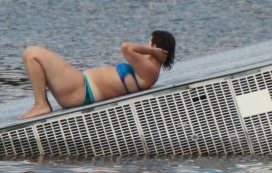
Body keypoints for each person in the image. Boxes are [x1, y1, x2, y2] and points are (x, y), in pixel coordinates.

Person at [18, 31, 175, 120]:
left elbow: (126, 47)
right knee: (31, 56)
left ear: (156, 46)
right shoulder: (148, 69)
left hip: (81, 90)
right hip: (79, 88)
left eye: (148, 44)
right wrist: (151, 51)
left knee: (32, 53)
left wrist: (151, 52)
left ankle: (41, 105)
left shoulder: (150, 69)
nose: (145, 47)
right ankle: (41, 103)